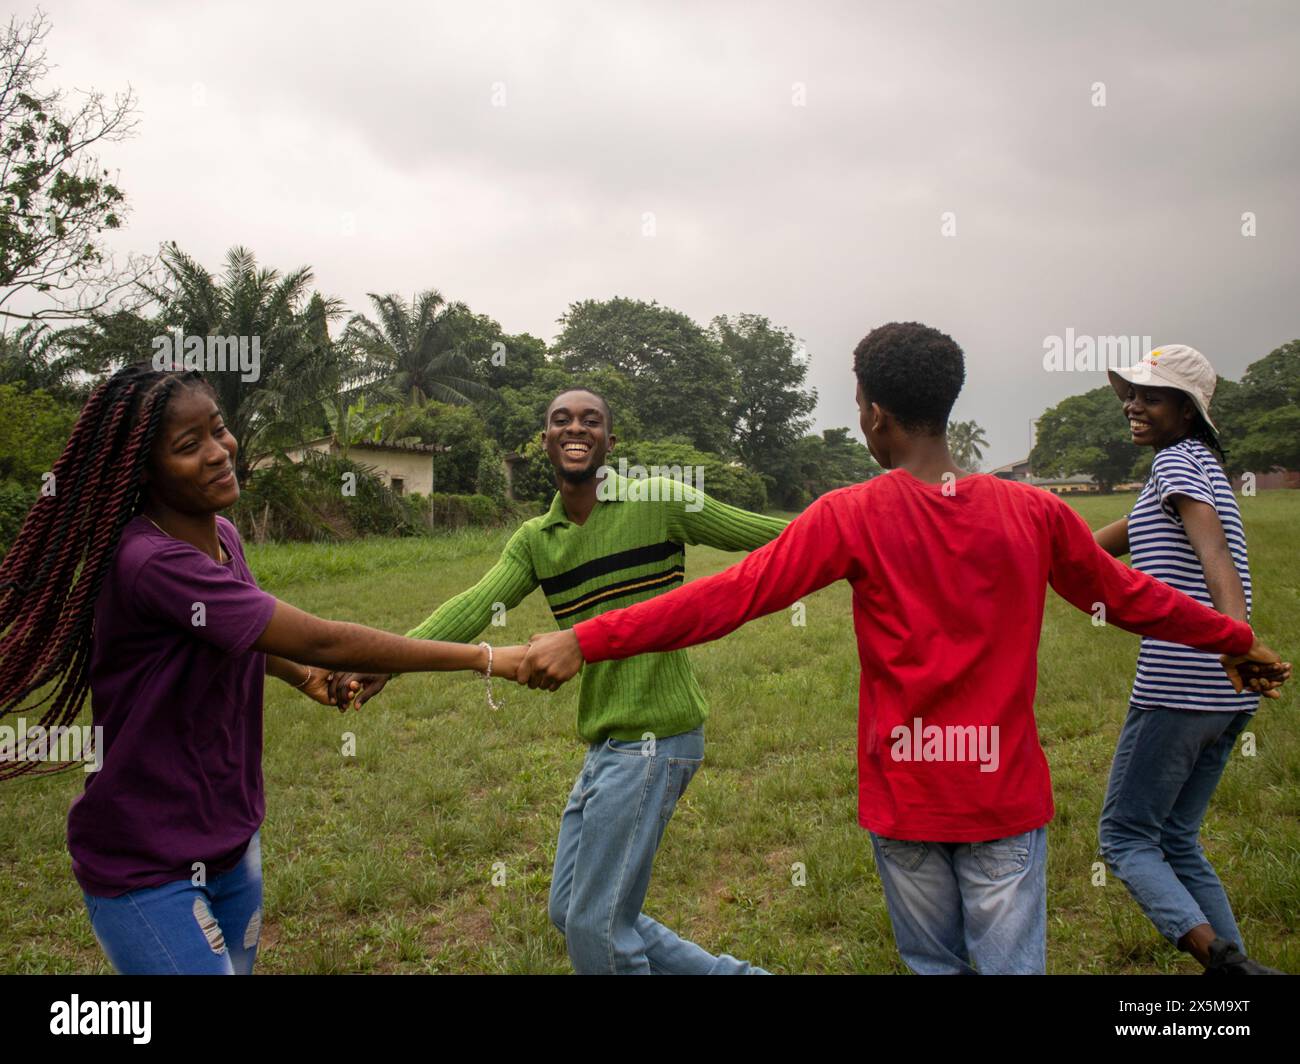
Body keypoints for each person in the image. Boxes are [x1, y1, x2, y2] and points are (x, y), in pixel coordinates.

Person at [519, 323, 1288, 975]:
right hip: (1003, 800)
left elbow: (725, 600)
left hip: (909, 805)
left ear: (877, 413)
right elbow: (1126, 599)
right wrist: (1232, 637)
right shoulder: (1033, 511)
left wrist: (586, 638)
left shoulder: (849, 514)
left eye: (858, 404)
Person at [0, 363, 524, 974]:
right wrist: (487, 657)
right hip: (145, 860)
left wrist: (300, 676)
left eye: (218, 431)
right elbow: (325, 639)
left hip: (229, 834)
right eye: (188, 446)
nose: (219, 452)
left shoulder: (222, 533)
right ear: (142, 470)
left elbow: (235, 633)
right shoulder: (149, 561)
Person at [331, 387, 786, 974]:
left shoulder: (657, 500)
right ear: (544, 440)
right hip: (607, 741)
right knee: (573, 909)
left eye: (591, 420)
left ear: (609, 442)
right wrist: (391, 659)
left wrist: (857, 535)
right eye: (562, 421)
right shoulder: (536, 540)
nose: (576, 428)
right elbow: (476, 604)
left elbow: (769, 536)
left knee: (597, 926)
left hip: (657, 736)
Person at [1094, 344, 1289, 975]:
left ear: (1187, 410)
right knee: (1176, 837)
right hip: (1224, 696)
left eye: (1151, 397)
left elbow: (1215, 558)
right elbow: (1091, 548)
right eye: (1132, 394)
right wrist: (1022, 544)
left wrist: (1236, 637)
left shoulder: (1179, 468)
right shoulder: (1188, 468)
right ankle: (1240, 979)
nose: (1134, 405)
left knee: (1125, 838)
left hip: (1180, 686)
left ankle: (1218, 959)